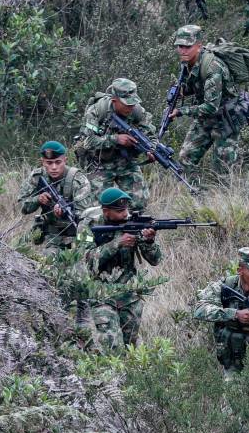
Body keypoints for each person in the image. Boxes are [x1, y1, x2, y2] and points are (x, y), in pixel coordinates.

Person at [77, 188, 163, 351]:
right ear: (106, 211)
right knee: (112, 347)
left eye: (126, 209)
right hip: (102, 294)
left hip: (129, 295)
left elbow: (155, 260)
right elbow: (86, 259)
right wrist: (117, 243)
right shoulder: (88, 225)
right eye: (119, 211)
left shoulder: (133, 223)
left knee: (131, 346)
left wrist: (149, 241)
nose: (125, 214)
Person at [168, 24, 243, 175]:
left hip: (226, 118)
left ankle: (228, 191)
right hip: (205, 118)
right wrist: (181, 91)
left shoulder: (212, 67)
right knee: (185, 159)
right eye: (180, 46)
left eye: (188, 46)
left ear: (198, 46)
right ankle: (191, 188)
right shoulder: (187, 63)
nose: (183, 50)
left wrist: (181, 111)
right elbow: (196, 86)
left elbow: (211, 106)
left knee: (223, 169)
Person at [77, 78, 157, 211]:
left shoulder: (138, 111)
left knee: (138, 203)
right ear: (114, 100)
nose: (131, 107)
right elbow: (88, 142)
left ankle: (131, 224)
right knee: (99, 208)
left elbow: (151, 136)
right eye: (127, 104)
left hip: (126, 162)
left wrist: (151, 149)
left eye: (133, 103)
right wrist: (115, 139)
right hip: (99, 164)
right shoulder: (97, 110)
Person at [18, 140, 94, 254]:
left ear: (65, 160)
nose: (54, 167)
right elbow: (22, 206)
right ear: (42, 162)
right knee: (48, 259)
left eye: (58, 162)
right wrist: (37, 199)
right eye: (49, 163)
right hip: (53, 235)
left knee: (82, 259)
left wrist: (65, 212)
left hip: (77, 234)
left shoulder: (79, 180)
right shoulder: (36, 177)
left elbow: (85, 215)